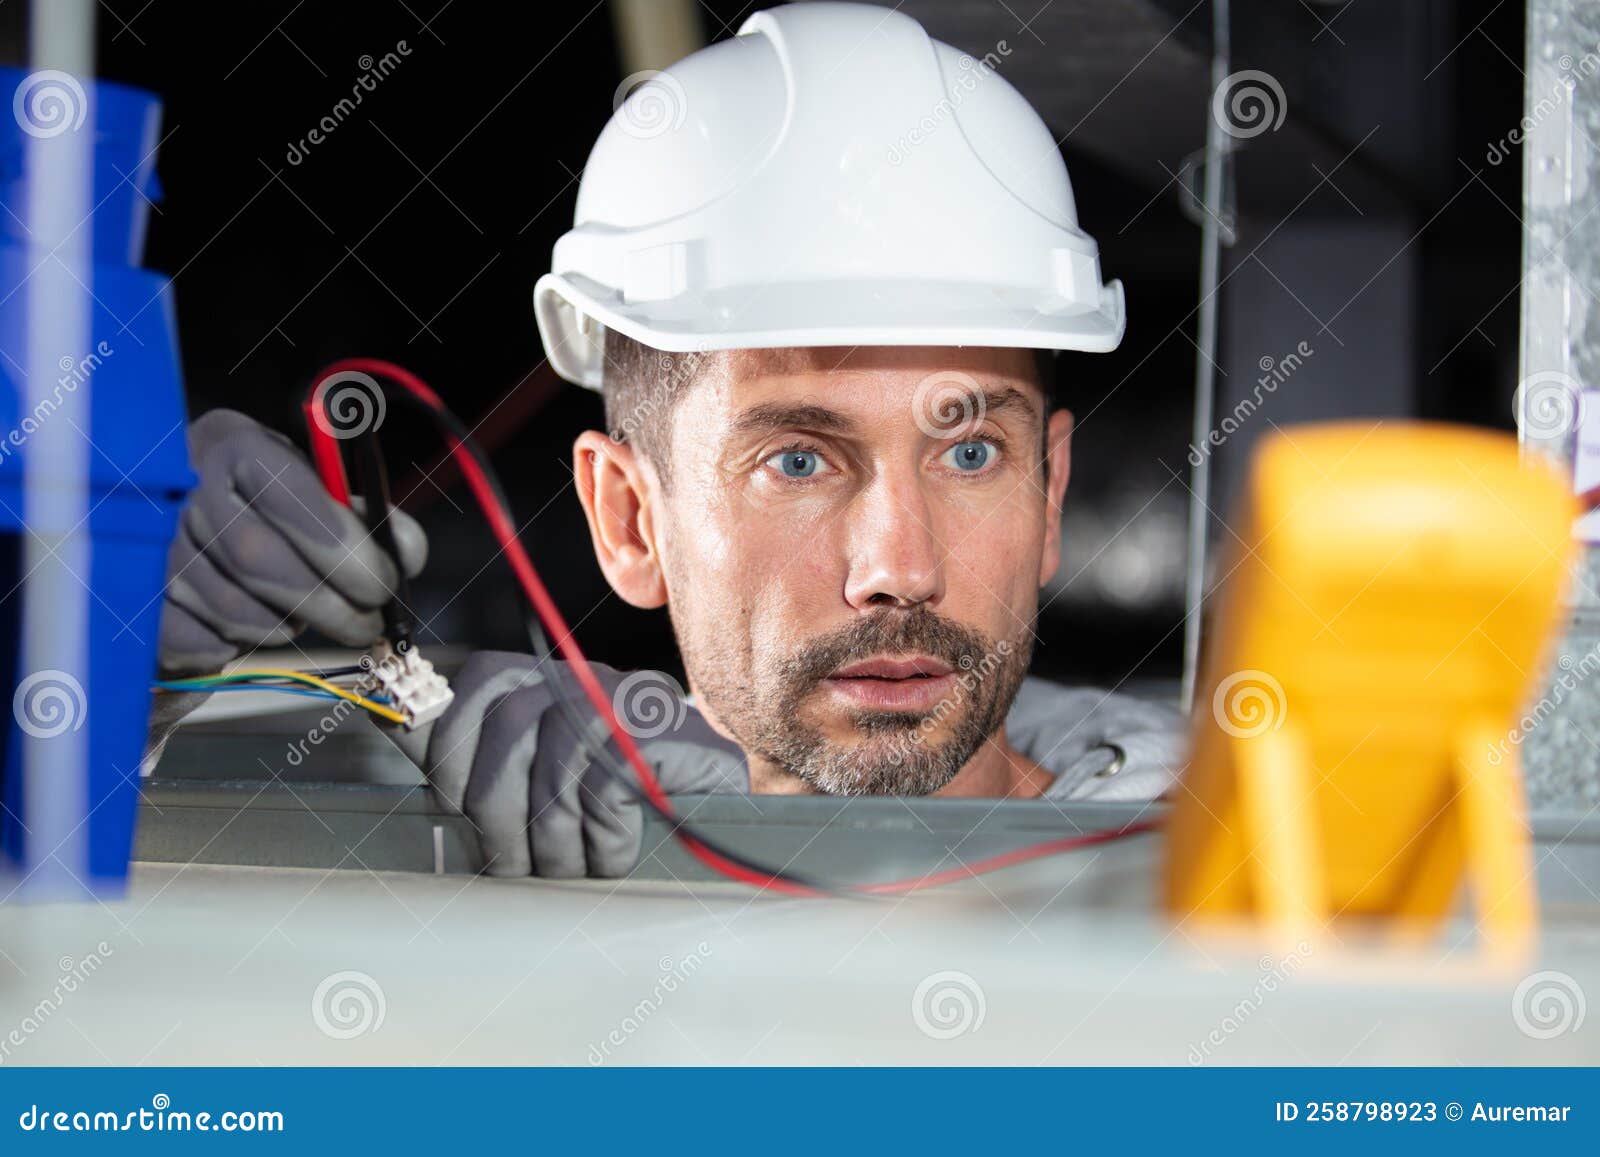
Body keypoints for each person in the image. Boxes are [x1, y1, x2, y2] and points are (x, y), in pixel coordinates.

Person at [147, 2, 1186, 878]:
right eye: (797, 460)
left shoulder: (1231, 859)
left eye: (968, 454)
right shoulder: (455, 857)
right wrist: (98, 656)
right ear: (628, 518)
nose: (898, 568)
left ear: (1049, 496)